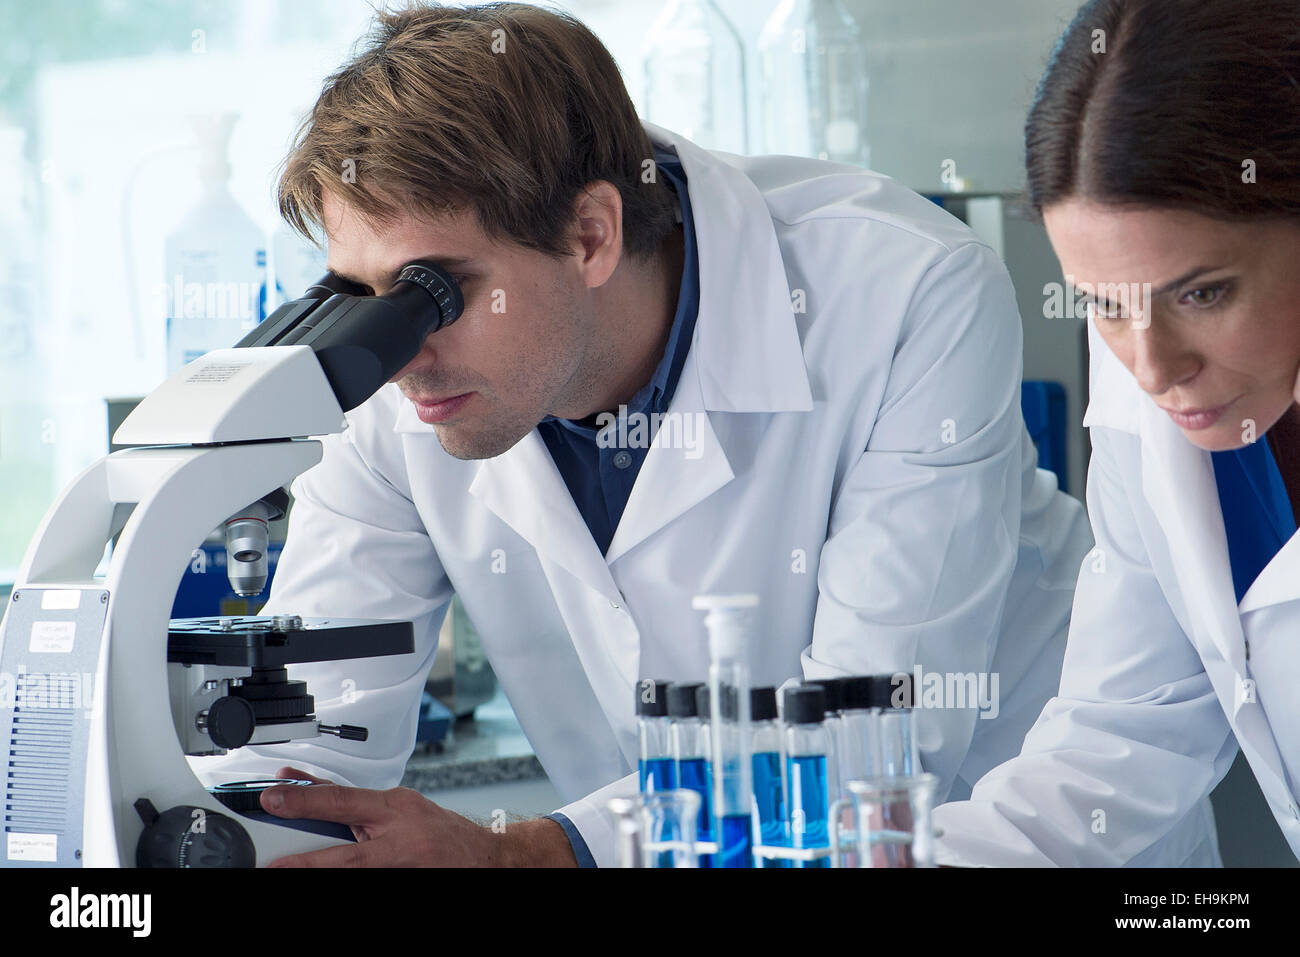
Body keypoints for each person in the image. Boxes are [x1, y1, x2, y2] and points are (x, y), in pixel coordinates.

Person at [191, 1, 1105, 867]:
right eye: (360, 296)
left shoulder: (904, 294)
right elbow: (315, 737)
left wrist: (535, 852)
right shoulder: (398, 388)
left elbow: (872, 739)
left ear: (591, 233)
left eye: (435, 291)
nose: (400, 358)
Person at [934, 0, 1300, 866]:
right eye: (1102, 302)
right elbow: (1125, 734)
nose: (1151, 366)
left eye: (1202, 293)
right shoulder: (1157, 386)